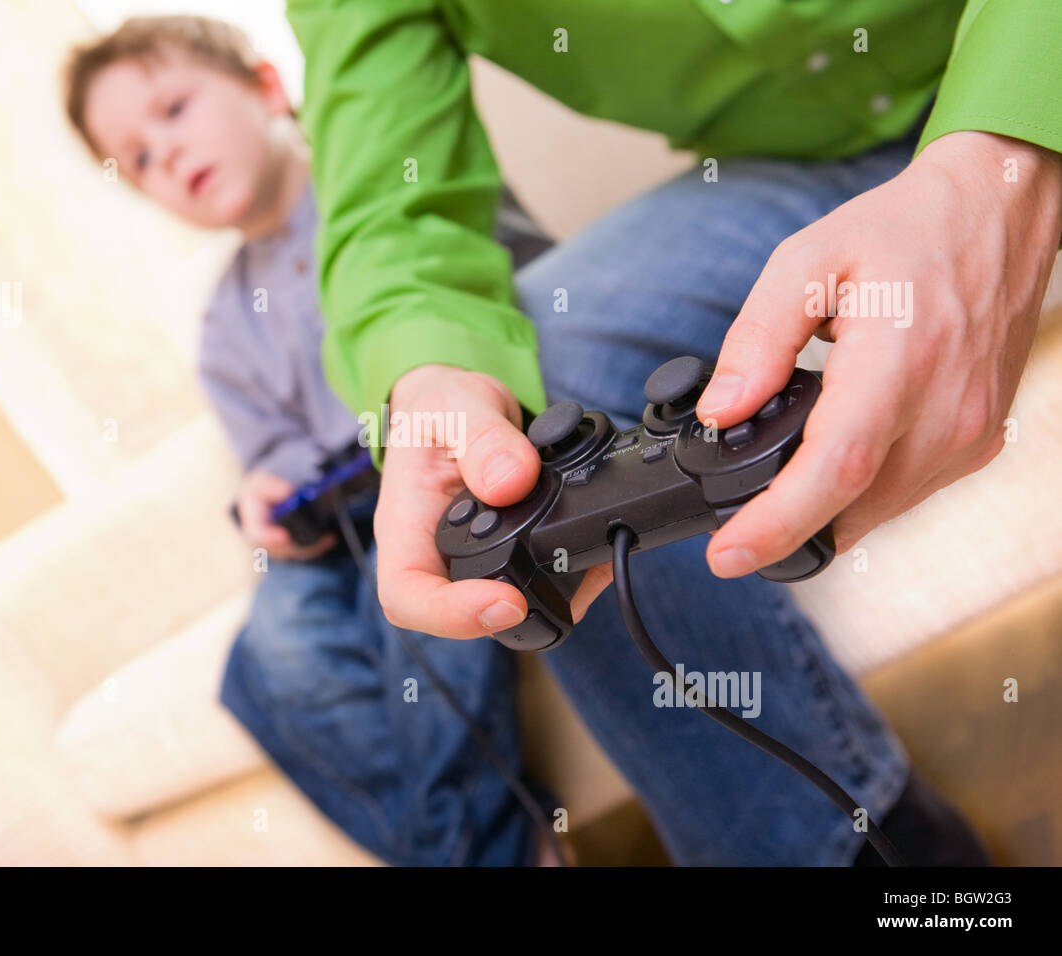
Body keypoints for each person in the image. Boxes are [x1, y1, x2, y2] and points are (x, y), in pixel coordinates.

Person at [282, 0, 1062, 863]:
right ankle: (859, 856)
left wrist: (1008, 140)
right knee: (535, 381)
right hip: (806, 162)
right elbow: (392, 199)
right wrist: (425, 373)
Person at [62, 15, 562, 866]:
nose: (168, 157)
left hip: (439, 467)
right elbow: (269, 455)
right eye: (139, 158)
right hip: (330, 525)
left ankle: (493, 854)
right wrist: (261, 495)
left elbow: (520, 286)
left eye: (175, 109)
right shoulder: (224, 326)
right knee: (264, 664)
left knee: (412, 609)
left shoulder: (387, 191)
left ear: (265, 87)